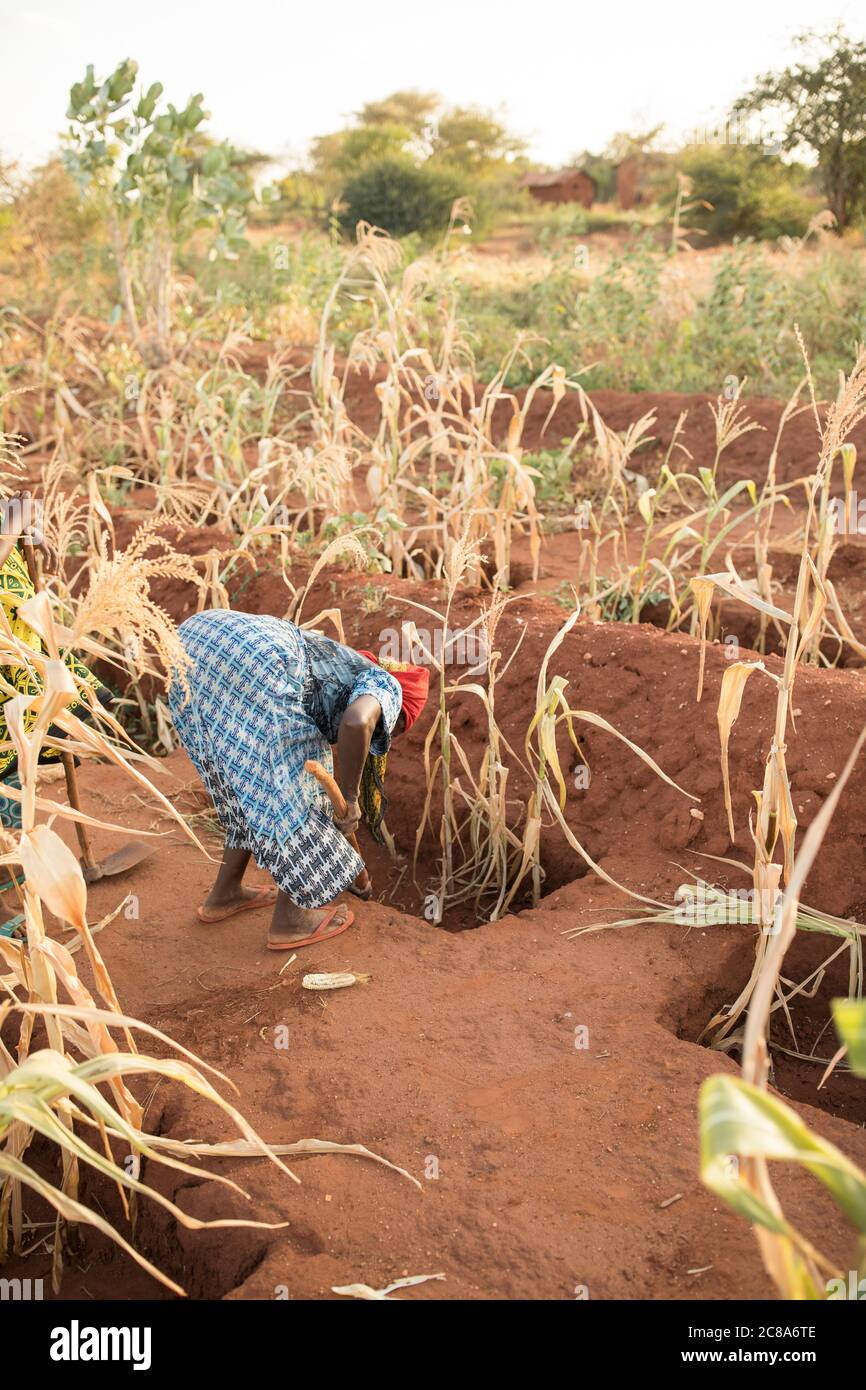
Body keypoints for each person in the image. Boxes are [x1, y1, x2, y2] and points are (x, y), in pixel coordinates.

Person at [168, 609, 429, 950]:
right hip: (263, 667)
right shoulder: (387, 683)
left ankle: (224, 895)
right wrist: (348, 797)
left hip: (196, 645)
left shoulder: (336, 663)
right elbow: (355, 722)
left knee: (245, 785)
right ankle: (292, 921)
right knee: (301, 794)